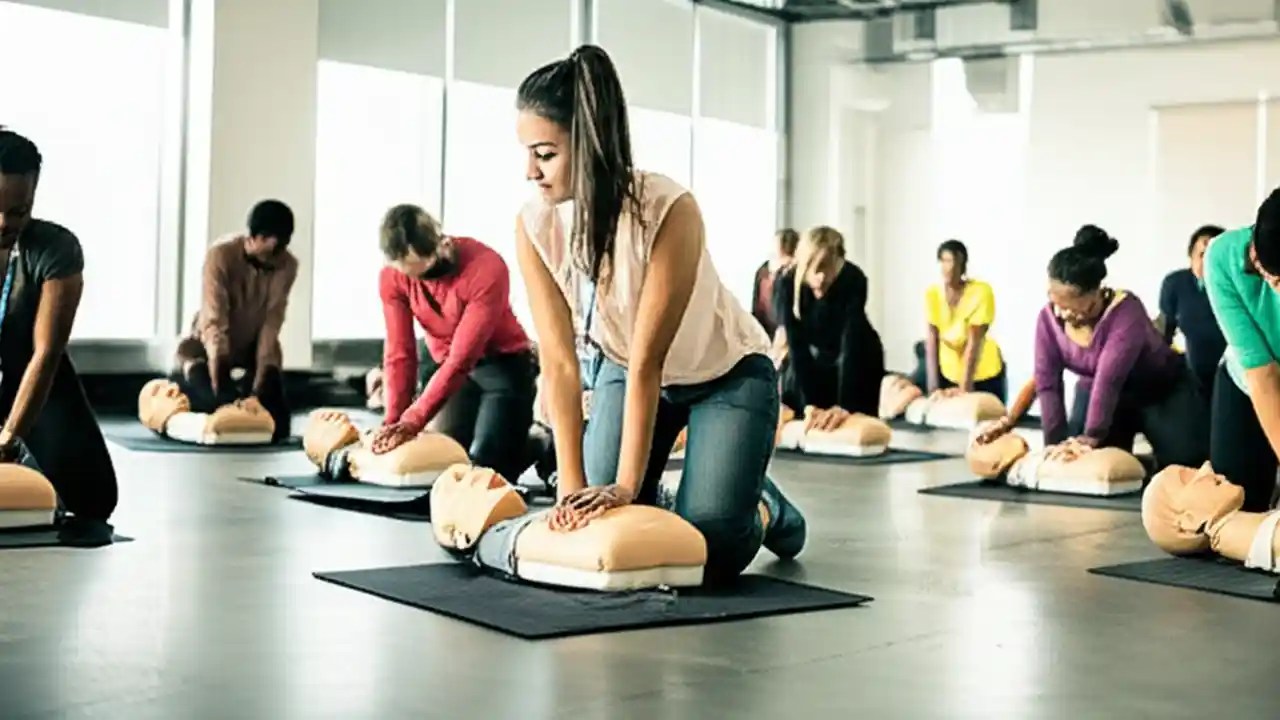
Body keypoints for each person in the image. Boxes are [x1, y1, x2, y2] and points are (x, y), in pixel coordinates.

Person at [514, 44, 806, 583]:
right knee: (601, 519)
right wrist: (571, 489)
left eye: (545, 153)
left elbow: (652, 357)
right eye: (526, 153)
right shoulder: (534, 226)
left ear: (589, 144)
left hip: (725, 375)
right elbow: (558, 363)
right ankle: (688, 493)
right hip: (623, 369)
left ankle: (762, 505)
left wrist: (625, 486)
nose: (530, 171)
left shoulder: (670, 209)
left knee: (709, 551)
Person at [0, 129, 117, 545]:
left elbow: (46, 352)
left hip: (34, 376)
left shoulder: (55, 248)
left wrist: (9, 437)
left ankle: (30, 459)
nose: (4, 224)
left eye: (18, 211)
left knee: (95, 500)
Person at [373, 204, 537, 482]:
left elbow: (462, 359)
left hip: (503, 366)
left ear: (441, 245)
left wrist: (413, 420)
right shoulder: (392, 277)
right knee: (442, 466)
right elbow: (400, 353)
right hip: (445, 367)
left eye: (424, 274)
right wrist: (393, 422)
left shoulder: (486, 268)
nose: (416, 282)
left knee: (486, 469)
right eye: (408, 275)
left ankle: (536, 444)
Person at [1034, 225, 1207, 470]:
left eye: (1072, 307)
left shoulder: (1126, 312)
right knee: (1084, 465)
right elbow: (1047, 382)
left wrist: (1092, 436)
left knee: (1185, 465)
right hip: (1097, 393)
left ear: (1095, 293)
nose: (1062, 313)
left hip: (1160, 390)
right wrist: (1054, 444)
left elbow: (1109, 378)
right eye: (1056, 302)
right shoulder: (1048, 318)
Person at [174, 199, 298, 441]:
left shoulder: (287, 265)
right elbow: (214, 319)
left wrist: (259, 390)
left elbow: (272, 324)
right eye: (271, 248)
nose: (275, 257)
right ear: (255, 237)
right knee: (211, 410)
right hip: (208, 349)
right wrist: (221, 382)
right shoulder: (220, 256)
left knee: (278, 426)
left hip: (252, 350)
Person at [1203, 190, 1280, 512]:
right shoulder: (1223, 256)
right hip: (1248, 382)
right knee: (1237, 505)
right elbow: (1262, 373)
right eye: (1274, 279)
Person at [774, 226, 885, 418]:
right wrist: (810, 404)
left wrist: (845, 408)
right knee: (810, 411)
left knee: (851, 418)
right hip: (818, 358)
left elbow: (851, 345)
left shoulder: (854, 279)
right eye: (816, 269)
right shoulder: (787, 285)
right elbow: (797, 347)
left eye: (829, 267)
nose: (822, 277)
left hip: (860, 355)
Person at [923, 239, 1007, 402]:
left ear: (963, 265)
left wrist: (965, 388)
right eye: (945, 261)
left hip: (983, 373)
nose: (950, 268)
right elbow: (932, 339)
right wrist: (933, 388)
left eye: (954, 262)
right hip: (949, 372)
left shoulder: (981, 292)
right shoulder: (932, 294)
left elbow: (974, 342)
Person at [1158, 224, 1227, 395]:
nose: (1208, 262)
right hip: (1191, 377)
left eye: (1215, 255)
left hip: (1232, 376)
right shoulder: (1175, 283)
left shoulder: (1237, 286)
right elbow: (1163, 332)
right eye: (1202, 254)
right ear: (1191, 256)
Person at [751, 228, 798, 338]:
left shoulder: (793, 275)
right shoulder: (763, 271)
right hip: (765, 334)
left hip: (789, 335)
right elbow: (756, 308)